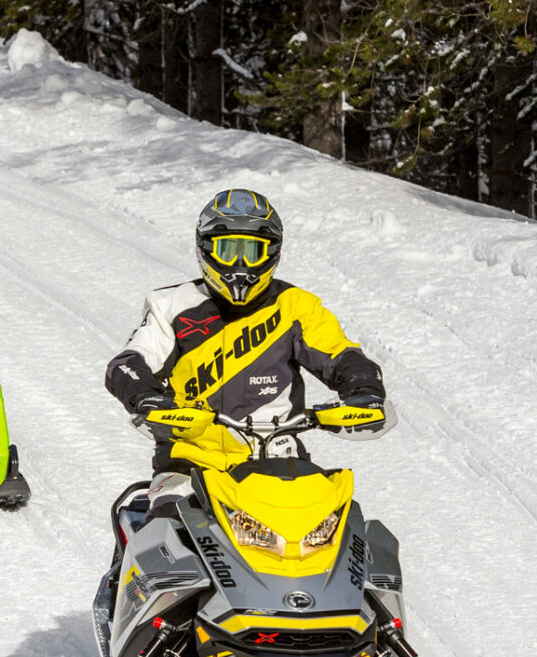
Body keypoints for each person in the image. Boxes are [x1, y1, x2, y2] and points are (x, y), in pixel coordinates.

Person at [104, 188, 386, 517]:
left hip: (281, 461)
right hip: (190, 465)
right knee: (165, 530)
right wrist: (145, 395)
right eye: (227, 250)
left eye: (253, 251)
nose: (240, 264)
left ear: (273, 254)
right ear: (205, 248)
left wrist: (362, 386)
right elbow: (128, 363)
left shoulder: (296, 306)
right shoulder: (171, 305)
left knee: (344, 529)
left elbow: (340, 353)